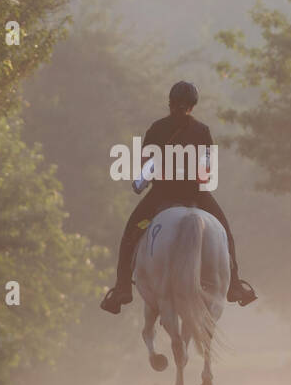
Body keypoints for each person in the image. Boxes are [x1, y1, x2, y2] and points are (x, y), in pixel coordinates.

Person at [100, 81, 257, 314]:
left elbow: (148, 166)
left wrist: (139, 183)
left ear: (170, 102)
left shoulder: (157, 129)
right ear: (193, 106)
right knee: (224, 231)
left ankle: (122, 288)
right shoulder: (202, 130)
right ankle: (234, 285)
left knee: (131, 232)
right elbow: (207, 171)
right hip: (197, 195)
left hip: (162, 195)